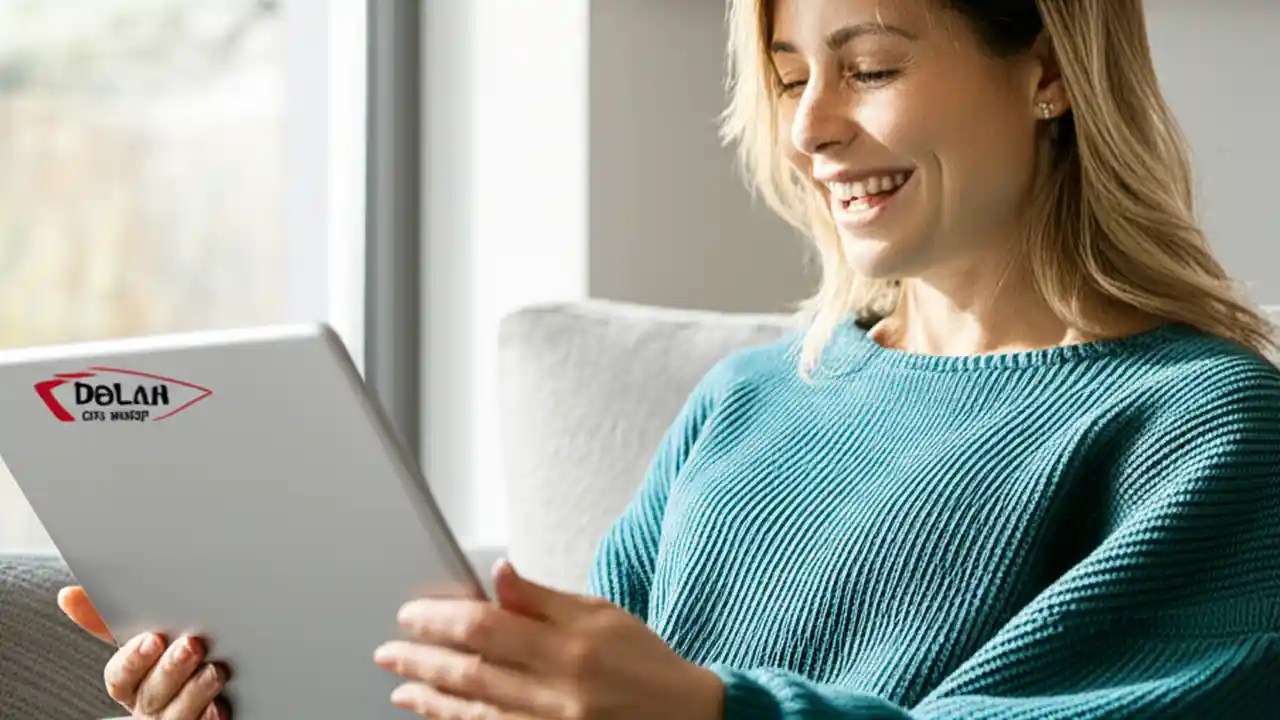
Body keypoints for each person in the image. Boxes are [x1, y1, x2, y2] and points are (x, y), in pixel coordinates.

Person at [60, 0, 1280, 717]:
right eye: (790, 78)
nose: (808, 128)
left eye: (870, 68)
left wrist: (716, 716)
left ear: (1051, 71)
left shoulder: (1206, 424)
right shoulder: (748, 400)